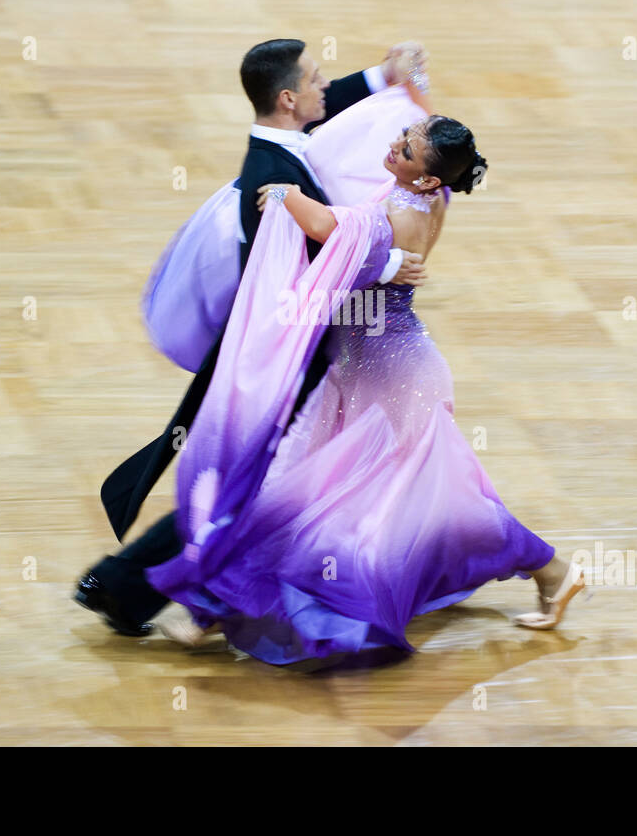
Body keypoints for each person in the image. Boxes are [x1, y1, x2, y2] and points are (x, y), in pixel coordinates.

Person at [145, 103, 585, 665]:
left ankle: (553, 570)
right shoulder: (426, 196)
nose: (394, 146)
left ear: (426, 176)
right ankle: (215, 608)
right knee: (322, 490)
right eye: (404, 136)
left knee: (355, 496)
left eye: (405, 149)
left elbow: (330, 227)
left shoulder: (397, 216)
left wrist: (285, 194)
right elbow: (357, 235)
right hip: (375, 368)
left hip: (390, 378)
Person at [75, 39, 429, 637]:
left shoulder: (281, 148)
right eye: (316, 80)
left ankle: (143, 590)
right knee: (246, 484)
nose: (326, 87)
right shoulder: (272, 182)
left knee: (249, 482)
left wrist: (380, 77)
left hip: (280, 355)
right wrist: (388, 263)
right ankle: (127, 585)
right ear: (288, 98)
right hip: (279, 362)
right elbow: (310, 263)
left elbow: (327, 111)